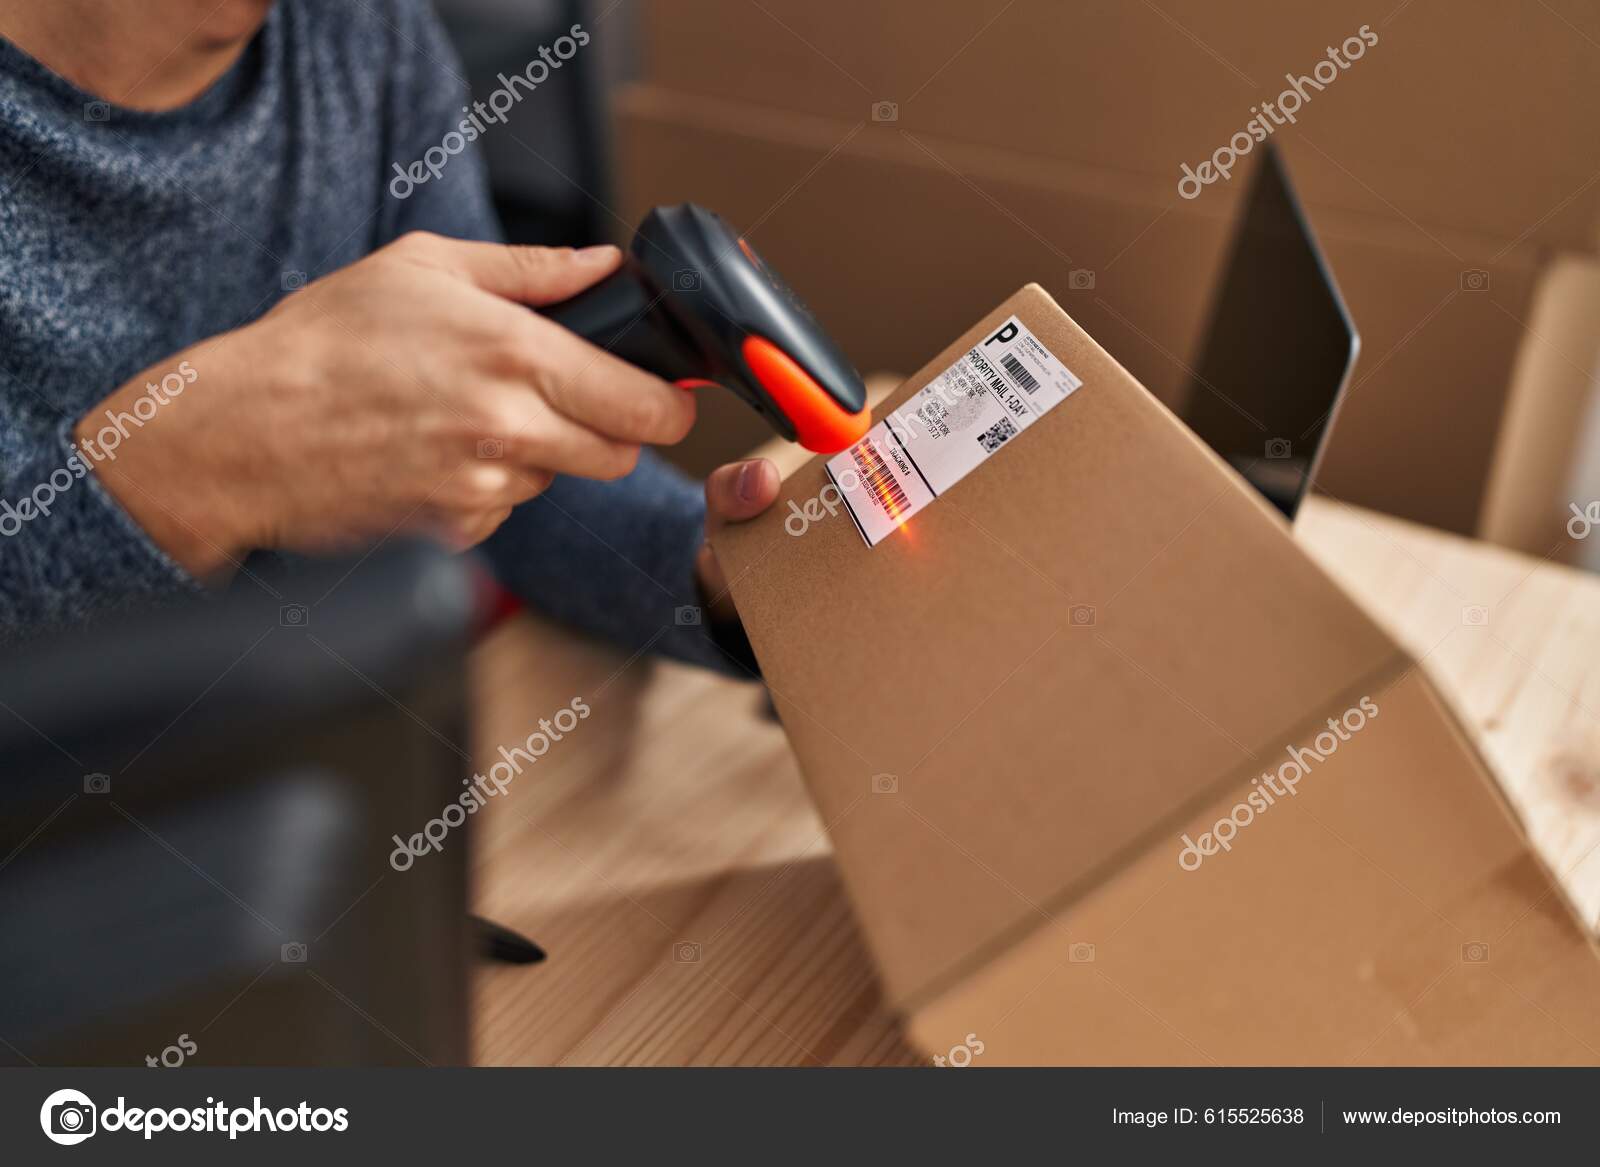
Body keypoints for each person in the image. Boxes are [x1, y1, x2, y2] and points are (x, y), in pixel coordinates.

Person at [0, 0, 781, 668]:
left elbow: (507, 466)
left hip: (322, 774)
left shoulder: (364, 31)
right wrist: (193, 479)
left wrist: (719, 582)